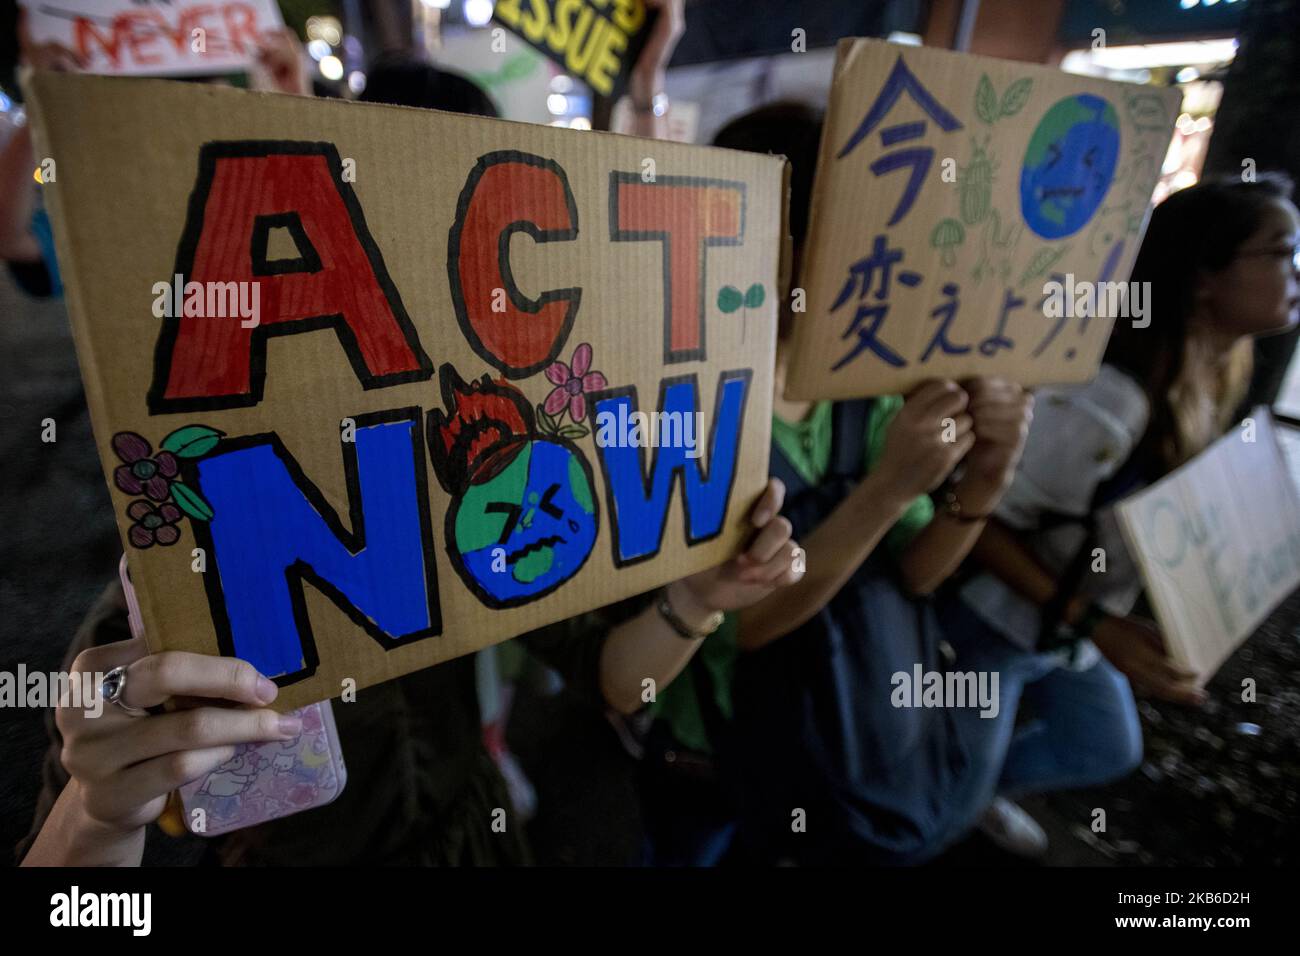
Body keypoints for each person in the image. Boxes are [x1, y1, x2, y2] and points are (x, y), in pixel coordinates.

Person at [638, 102, 1036, 866]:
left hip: (830, 734)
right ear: (750, 239)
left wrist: (985, 479)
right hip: (712, 745)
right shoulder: (687, 407)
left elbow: (917, 571)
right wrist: (884, 491)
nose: (882, 263)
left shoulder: (869, 385)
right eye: (855, 235)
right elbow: (750, 625)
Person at [941, 172, 1300, 855]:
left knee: (1101, 745)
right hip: (995, 625)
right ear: (1203, 278)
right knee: (928, 820)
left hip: (1069, 629)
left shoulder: (1219, 369)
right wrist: (1098, 624)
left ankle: (965, 786)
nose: (1296, 271)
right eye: (1283, 252)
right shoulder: (1111, 402)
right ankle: (935, 804)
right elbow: (974, 518)